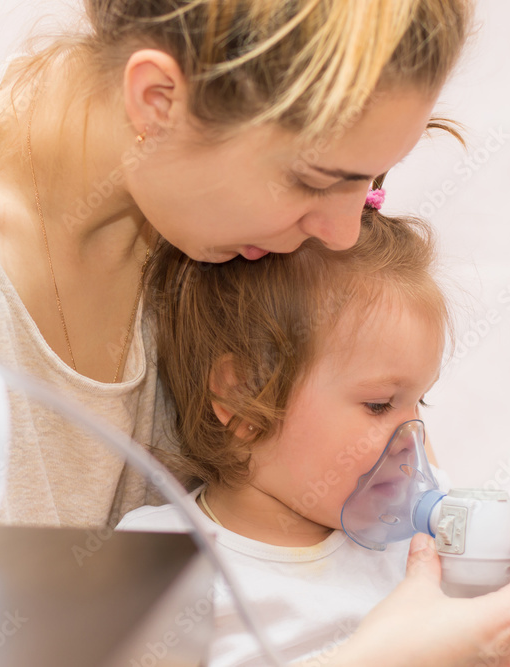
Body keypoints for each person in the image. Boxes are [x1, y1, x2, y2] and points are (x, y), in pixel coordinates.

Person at [0, 1, 510, 663]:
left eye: (370, 182)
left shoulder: (241, 241)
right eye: (316, 180)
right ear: (156, 100)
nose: (346, 232)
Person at [118, 204, 457, 664]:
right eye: (379, 404)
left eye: (421, 402)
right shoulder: (159, 565)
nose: (411, 438)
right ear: (244, 396)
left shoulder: (415, 543)